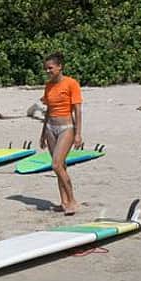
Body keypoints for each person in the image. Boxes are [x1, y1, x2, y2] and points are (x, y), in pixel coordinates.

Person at [40, 52, 83, 214]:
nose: (48, 71)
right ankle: (63, 201)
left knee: (56, 165)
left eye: (50, 68)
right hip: (51, 127)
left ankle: (72, 200)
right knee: (61, 166)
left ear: (59, 67)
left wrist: (78, 133)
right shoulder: (48, 86)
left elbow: (78, 110)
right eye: (46, 69)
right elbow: (48, 110)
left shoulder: (71, 83)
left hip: (67, 127)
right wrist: (43, 133)